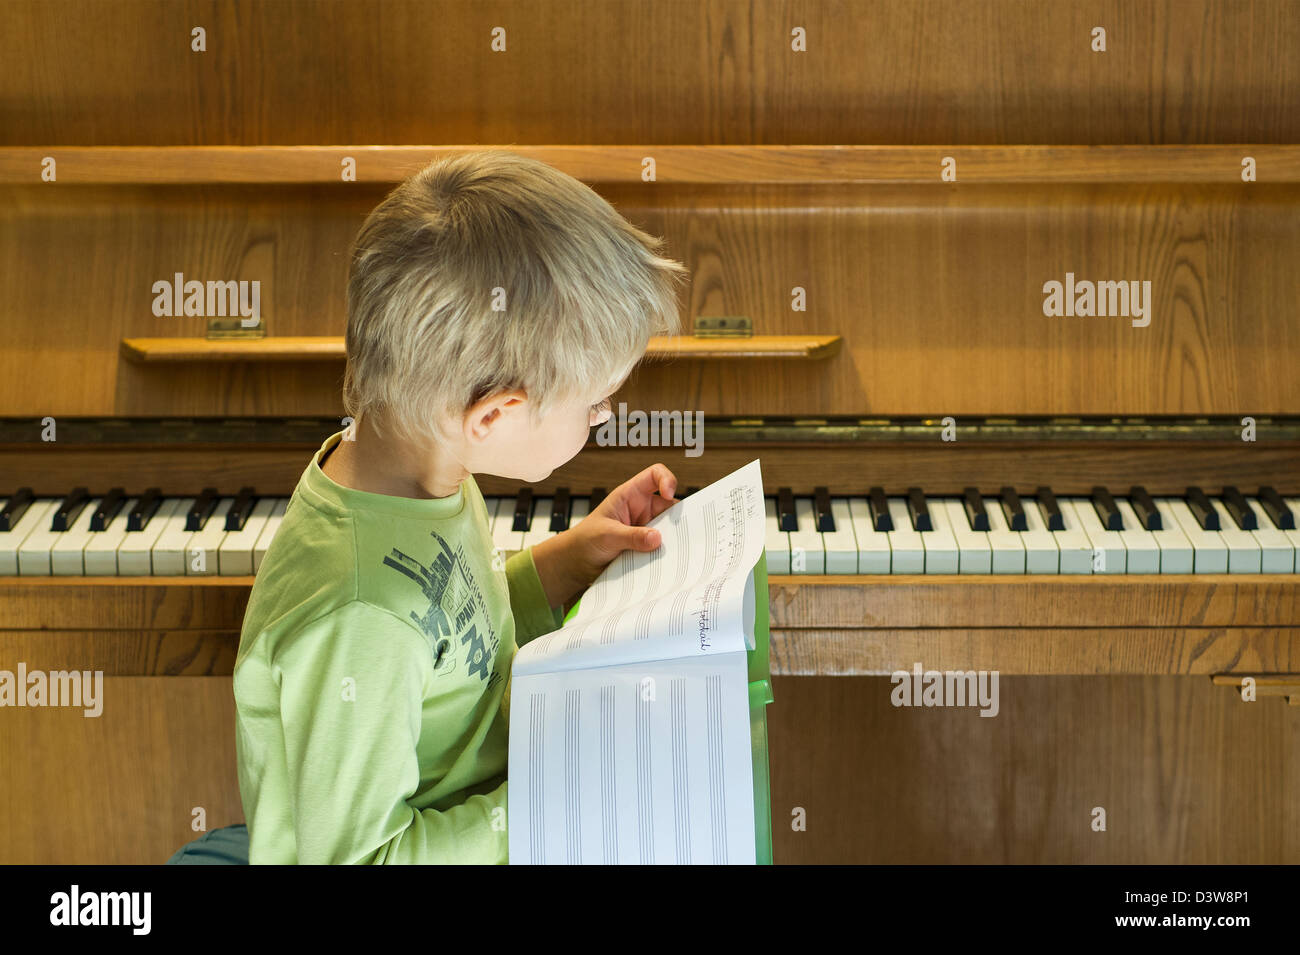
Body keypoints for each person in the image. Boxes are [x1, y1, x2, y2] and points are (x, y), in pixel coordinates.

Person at [233, 151, 688, 863]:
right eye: (596, 403)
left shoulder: (419, 471)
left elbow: (449, 633)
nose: (603, 417)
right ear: (494, 416)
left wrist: (569, 562)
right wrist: (554, 797)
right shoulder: (362, 616)